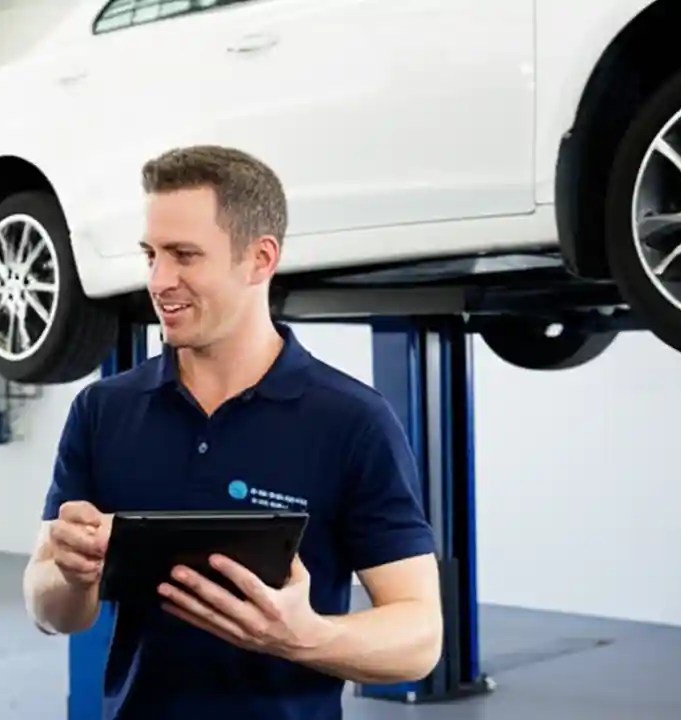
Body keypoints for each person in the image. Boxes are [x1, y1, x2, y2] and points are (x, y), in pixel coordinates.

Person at [22, 145, 443, 719]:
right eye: (151, 254)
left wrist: (303, 636)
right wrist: (69, 577)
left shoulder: (352, 422)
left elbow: (420, 636)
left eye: (184, 255)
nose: (158, 280)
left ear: (260, 259)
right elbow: (52, 613)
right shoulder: (103, 410)